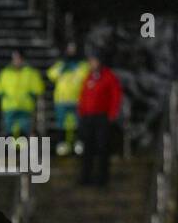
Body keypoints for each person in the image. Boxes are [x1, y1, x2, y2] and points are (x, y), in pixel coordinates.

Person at [77, 51, 122, 187]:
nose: (92, 64)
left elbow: (115, 96)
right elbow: (83, 96)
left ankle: (102, 178)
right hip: (88, 117)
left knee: (102, 147)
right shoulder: (88, 77)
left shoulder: (108, 76)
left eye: (94, 61)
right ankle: (85, 177)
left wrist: (112, 114)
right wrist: (82, 112)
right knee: (88, 147)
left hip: (102, 117)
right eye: (90, 61)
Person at [46, 42, 88, 156]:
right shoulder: (61, 64)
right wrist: (62, 67)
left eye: (73, 49)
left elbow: (85, 76)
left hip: (77, 99)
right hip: (62, 100)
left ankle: (78, 144)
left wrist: (74, 69)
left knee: (78, 123)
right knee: (61, 124)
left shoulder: (82, 65)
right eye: (69, 49)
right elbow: (50, 75)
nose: (71, 51)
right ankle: (62, 144)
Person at [0, 49, 44, 140]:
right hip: (9, 107)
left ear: (23, 59)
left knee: (24, 131)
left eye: (18, 58)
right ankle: (10, 150)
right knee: (9, 131)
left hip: (25, 107)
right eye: (14, 58)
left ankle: (23, 151)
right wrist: (5, 96)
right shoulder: (5, 73)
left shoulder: (31, 73)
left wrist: (30, 95)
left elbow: (38, 89)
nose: (16, 61)